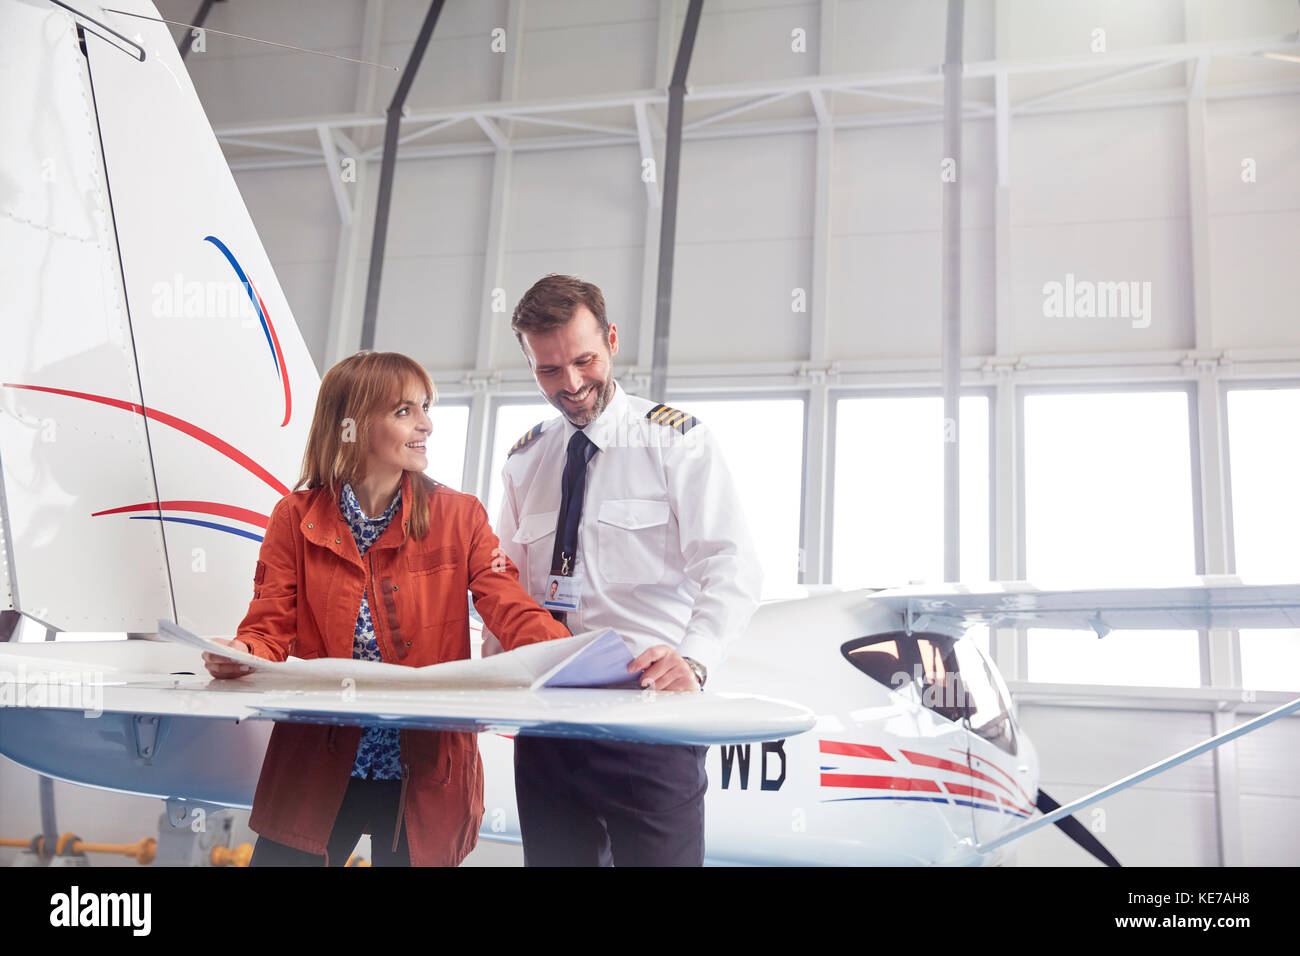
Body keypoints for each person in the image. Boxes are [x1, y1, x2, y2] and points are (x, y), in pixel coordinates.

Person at [202, 350, 569, 866]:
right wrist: (240, 652)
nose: (426, 425)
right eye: (404, 411)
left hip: (423, 773)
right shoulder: (294, 517)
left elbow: (509, 605)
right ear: (350, 425)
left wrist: (568, 660)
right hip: (317, 767)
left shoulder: (459, 516)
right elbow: (269, 627)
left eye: (425, 407)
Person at [490, 274, 763, 866]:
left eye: (584, 360)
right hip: (548, 728)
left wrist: (693, 659)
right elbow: (500, 587)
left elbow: (732, 565)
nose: (571, 384)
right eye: (548, 371)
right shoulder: (524, 460)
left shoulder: (678, 444)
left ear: (611, 339)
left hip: (648, 723)